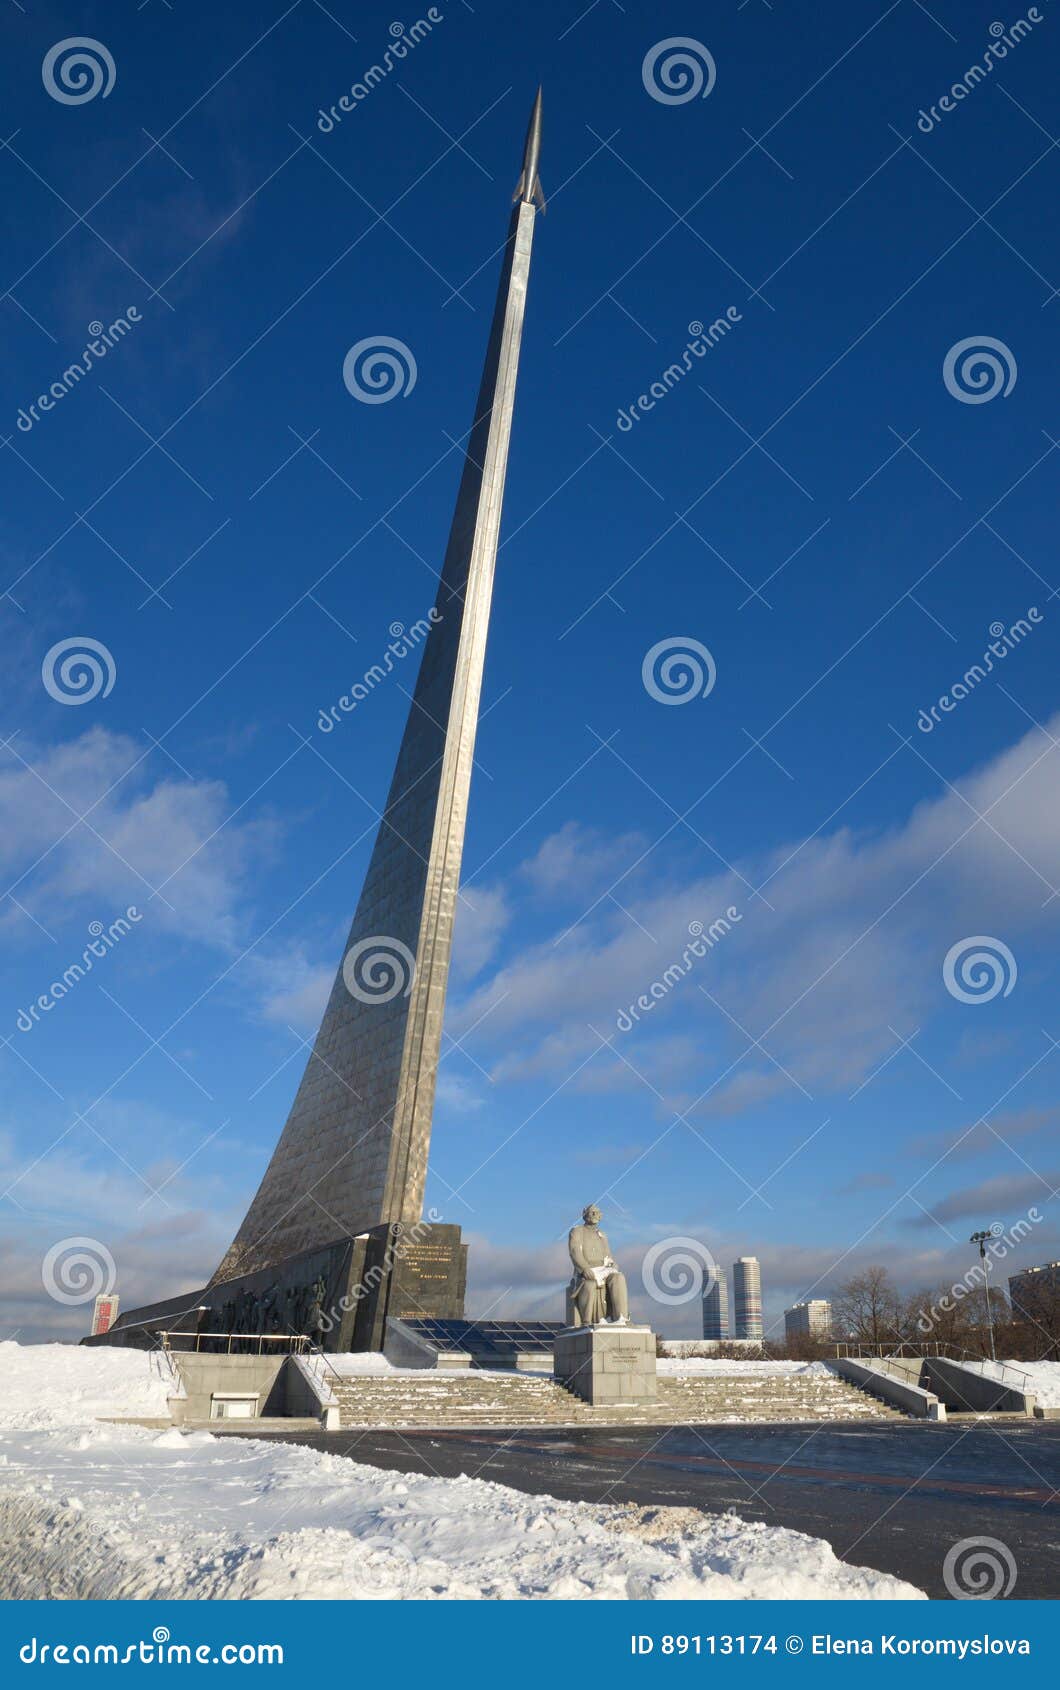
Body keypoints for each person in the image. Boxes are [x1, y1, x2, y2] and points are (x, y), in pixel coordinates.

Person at [567, 1203, 629, 1326]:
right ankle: (587, 1322)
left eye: (597, 1212)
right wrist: (584, 1268)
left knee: (618, 1277)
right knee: (590, 1283)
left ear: (601, 1216)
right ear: (585, 1215)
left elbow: (608, 1255)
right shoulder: (577, 1231)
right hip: (586, 1272)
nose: (594, 1214)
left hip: (604, 1270)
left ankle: (621, 1318)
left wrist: (612, 1265)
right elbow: (575, 1252)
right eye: (592, 1212)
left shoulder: (602, 1235)